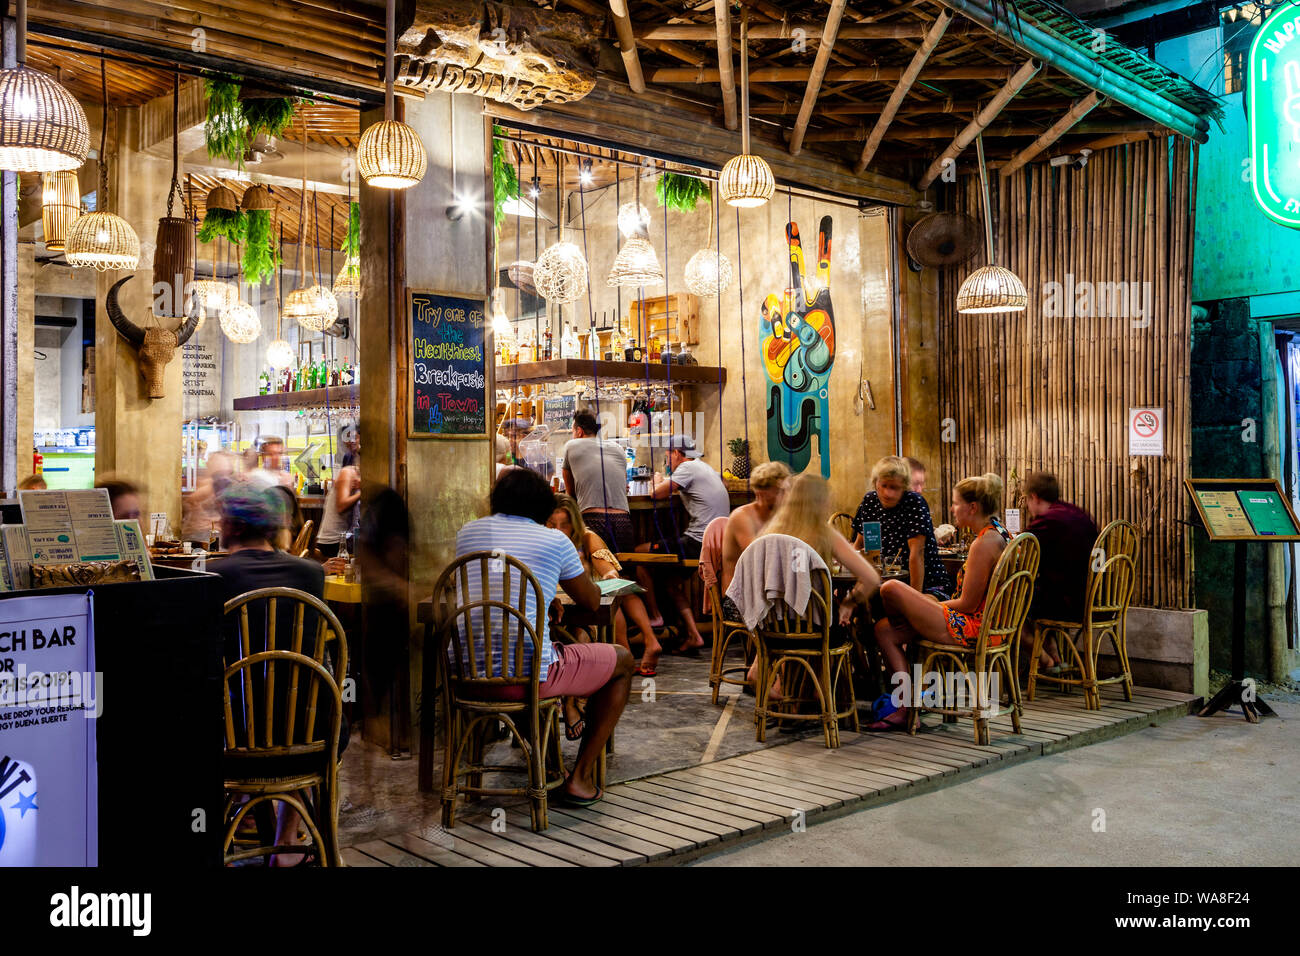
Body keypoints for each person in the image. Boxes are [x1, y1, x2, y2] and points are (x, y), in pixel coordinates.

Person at [454, 467, 633, 806]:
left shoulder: (467, 533)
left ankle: (548, 766)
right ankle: (578, 778)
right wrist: (550, 588)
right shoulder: (555, 540)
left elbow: (494, 584)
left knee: (527, 652)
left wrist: (541, 592)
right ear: (542, 505)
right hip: (530, 678)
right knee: (622, 660)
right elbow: (591, 601)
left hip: (466, 674)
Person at [210, 480, 333, 865]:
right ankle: (287, 835)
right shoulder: (312, 574)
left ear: (232, 526)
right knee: (290, 705)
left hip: (236, 739)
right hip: (311, 735)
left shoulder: (212, 577)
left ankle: (238, 815)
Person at [874, 473, 1011, 729]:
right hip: (989, 626)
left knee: (891, 588)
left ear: (973, 507)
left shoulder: (983, 543)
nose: (952, 508)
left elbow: (968, 605)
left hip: (973, 627)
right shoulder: (1000, 533)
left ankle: (907, 702)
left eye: (956, 503)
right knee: (884, 630)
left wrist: (928, 606)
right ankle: (905, 704)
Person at [743, 473, 881, 691]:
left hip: (771, 630)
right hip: (815, 632)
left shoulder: (769, 534)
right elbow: (872, 578)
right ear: (821, 502)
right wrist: (849, 603)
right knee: (840, 625)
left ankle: (781, 684)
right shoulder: (824, 534)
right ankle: (823, 691)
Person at [547, 495, 654, 740]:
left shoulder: (587, 538)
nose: (560, 531)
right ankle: (565, 700)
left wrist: (608, 575)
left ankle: (570, 700)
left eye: (565, 525)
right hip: (551, 619)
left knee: (579, 634)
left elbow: (608, 569)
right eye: (553, 525)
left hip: (582, 616)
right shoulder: (542, 543)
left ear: (575, 522)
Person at [634, 435, 731, 668]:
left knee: (638, 555)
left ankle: (655, 617)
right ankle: (694, 634)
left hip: (697, 542)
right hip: (715, 543)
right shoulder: (704, 468)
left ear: (677, 453)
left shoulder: (687, 468)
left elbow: (656, 494)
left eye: (668, 456)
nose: (667, 460)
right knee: (668, 583)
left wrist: (658, 480)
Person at [1023, 471, 1099, 673]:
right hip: (1099, 599)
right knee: (1040, 593)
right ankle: (1053, 657)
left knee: (1009, 602)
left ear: (1034, 497)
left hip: (1073, 603)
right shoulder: (1077, 512)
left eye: (1027, 501)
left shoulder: (1047, 521)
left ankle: (1044, 660)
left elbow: (1022, 554)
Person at [851, 456, 953, 598]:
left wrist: (913, 601)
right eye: (884, 485)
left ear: (904, 488)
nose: (888, 493)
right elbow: (859, 544)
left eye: (894, 487)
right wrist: (851, 584)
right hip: (883, 582)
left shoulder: (914, 502)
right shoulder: (870, 501)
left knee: (901, 616)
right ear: (875, 483)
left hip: (926, 584)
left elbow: (916, 554)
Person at [562, 409, 634, 554]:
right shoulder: (619, 448)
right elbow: (623, 481)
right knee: (624, 570)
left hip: (593, 520)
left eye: (572, 431)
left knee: (595, 570)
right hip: (623, 521)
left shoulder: (571, 446)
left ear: (579, 431)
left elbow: (570, 493)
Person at [721, 460, 791, 596]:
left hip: (768, 594)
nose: (787, 495)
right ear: (760, 493)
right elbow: (760, 560)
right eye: (780, 492)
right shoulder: (741, 517)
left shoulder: (781, 515)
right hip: (740, 599)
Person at [182, 450, 233, 548]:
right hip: (201, 533)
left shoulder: (218, 483)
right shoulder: (212, 482)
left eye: (210, 461)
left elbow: (192, 499)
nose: (206, 462)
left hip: (205, 535)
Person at [317, 444, 360, 559]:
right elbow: (341, 505)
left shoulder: (360, 477)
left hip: (345, 538)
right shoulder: (348, 473)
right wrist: (362, 492)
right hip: (333, 542)